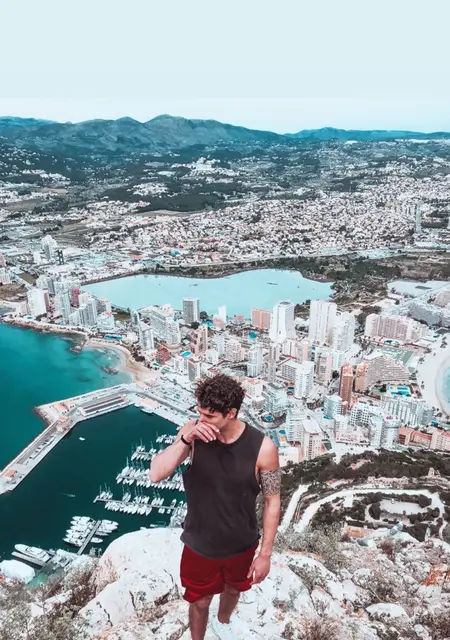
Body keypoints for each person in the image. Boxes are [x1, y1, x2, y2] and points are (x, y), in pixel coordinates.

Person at [150, 374, 281, 640]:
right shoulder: (192, 433)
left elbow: (272, 500)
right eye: (200, 413)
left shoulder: (263, 448)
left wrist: (265, 554)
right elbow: (156, 473)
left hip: (242, 543)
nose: (202, 420)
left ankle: (224, 621)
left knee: (234, 589)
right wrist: (186, 440)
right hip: (200, 543)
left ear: (231, 413)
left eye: (209, 416)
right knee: (199, 601)